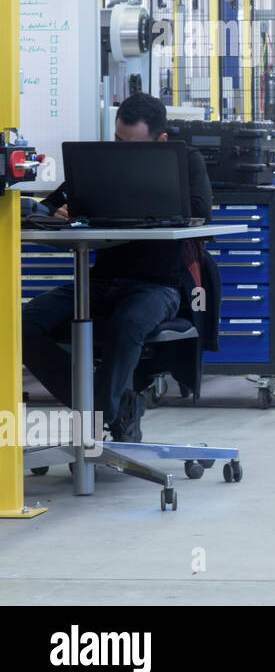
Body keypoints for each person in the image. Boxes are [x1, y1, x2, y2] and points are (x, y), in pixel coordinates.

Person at [22, 93, 213, 443]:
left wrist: (138, 200)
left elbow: (200, 211)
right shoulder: (102, 161)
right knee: (21, 325)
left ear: (161, 140)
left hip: (158, 286)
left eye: (134, 146)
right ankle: (105, 404)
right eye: (118, 141)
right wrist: (57, 211)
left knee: (128, 324)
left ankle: (98, 420)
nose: (122, 151)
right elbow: (50, 205)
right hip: (101, 281)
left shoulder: (184, 160)